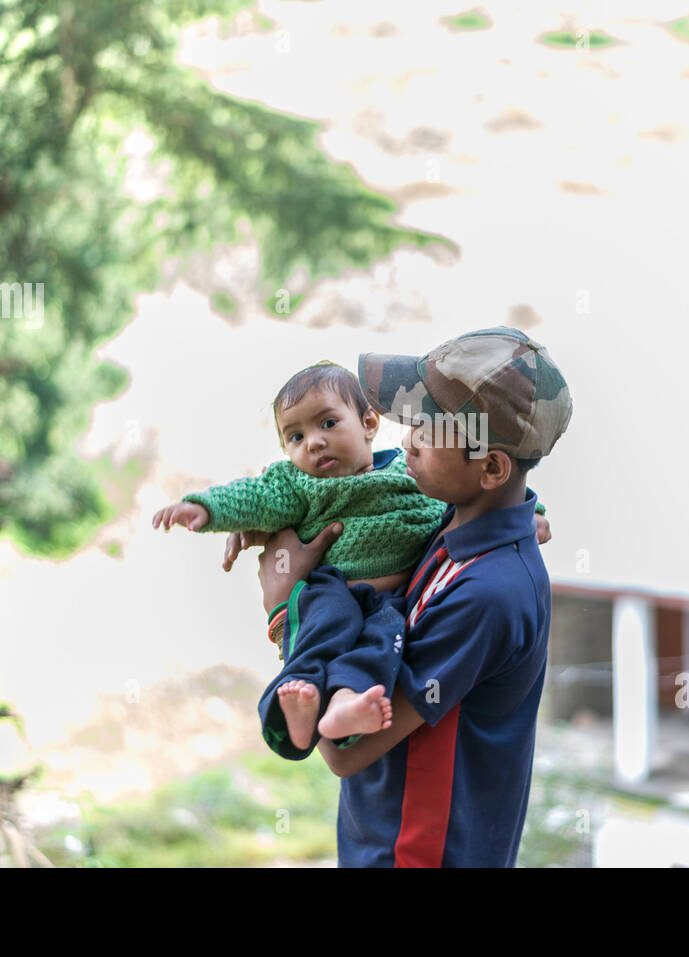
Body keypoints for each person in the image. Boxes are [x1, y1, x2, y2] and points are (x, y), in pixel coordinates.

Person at [255, 325, 573, 867]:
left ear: (492, 467)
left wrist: (285, 610)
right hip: (381, 843)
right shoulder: (454, 522)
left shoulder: (489, 595)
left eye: (426, 428)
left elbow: (344, 750)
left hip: (419, 853)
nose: (406, 440)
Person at [151, 360, 549, 757]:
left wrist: (532, 514)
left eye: (327, 424)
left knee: (383, 642)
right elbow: (255, 496)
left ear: (369, 424)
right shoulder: (299, 485)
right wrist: (204, 509)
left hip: (386, 605)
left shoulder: (410, 477)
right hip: (332, 587)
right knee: (325, 627)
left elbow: (495, 494)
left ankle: (342, 703)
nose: (313, 443)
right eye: (295, 437)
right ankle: (303, 698)